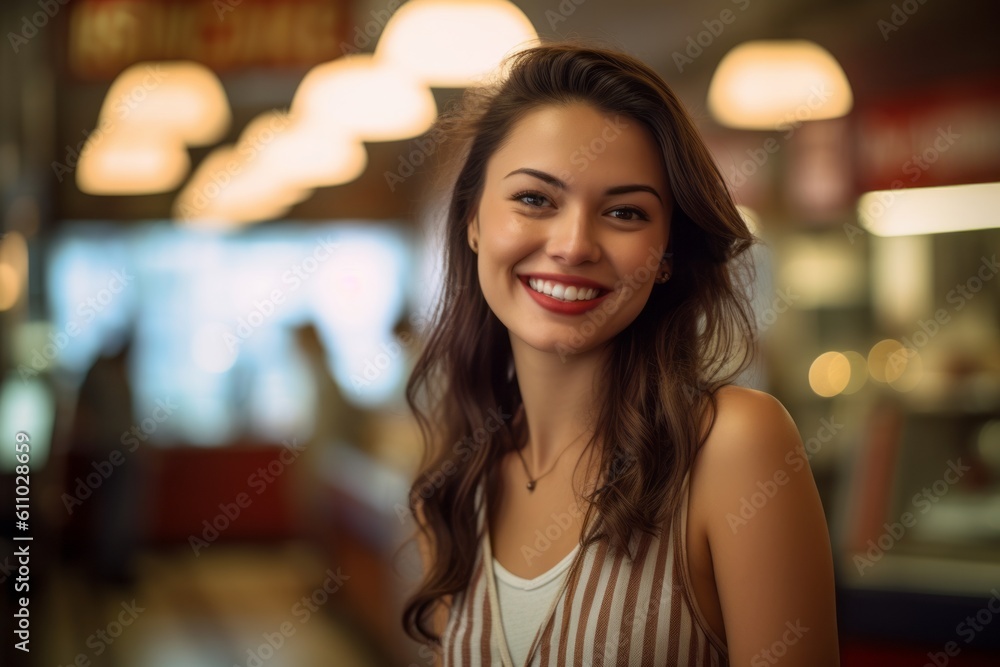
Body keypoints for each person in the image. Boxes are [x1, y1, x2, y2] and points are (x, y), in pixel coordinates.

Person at [400, 41, 839, 666]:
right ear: (473, 220)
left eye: (625, 212)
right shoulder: (453, 488)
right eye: (534, 199)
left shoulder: (735, 446)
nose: (574, 245)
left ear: (665, 256)